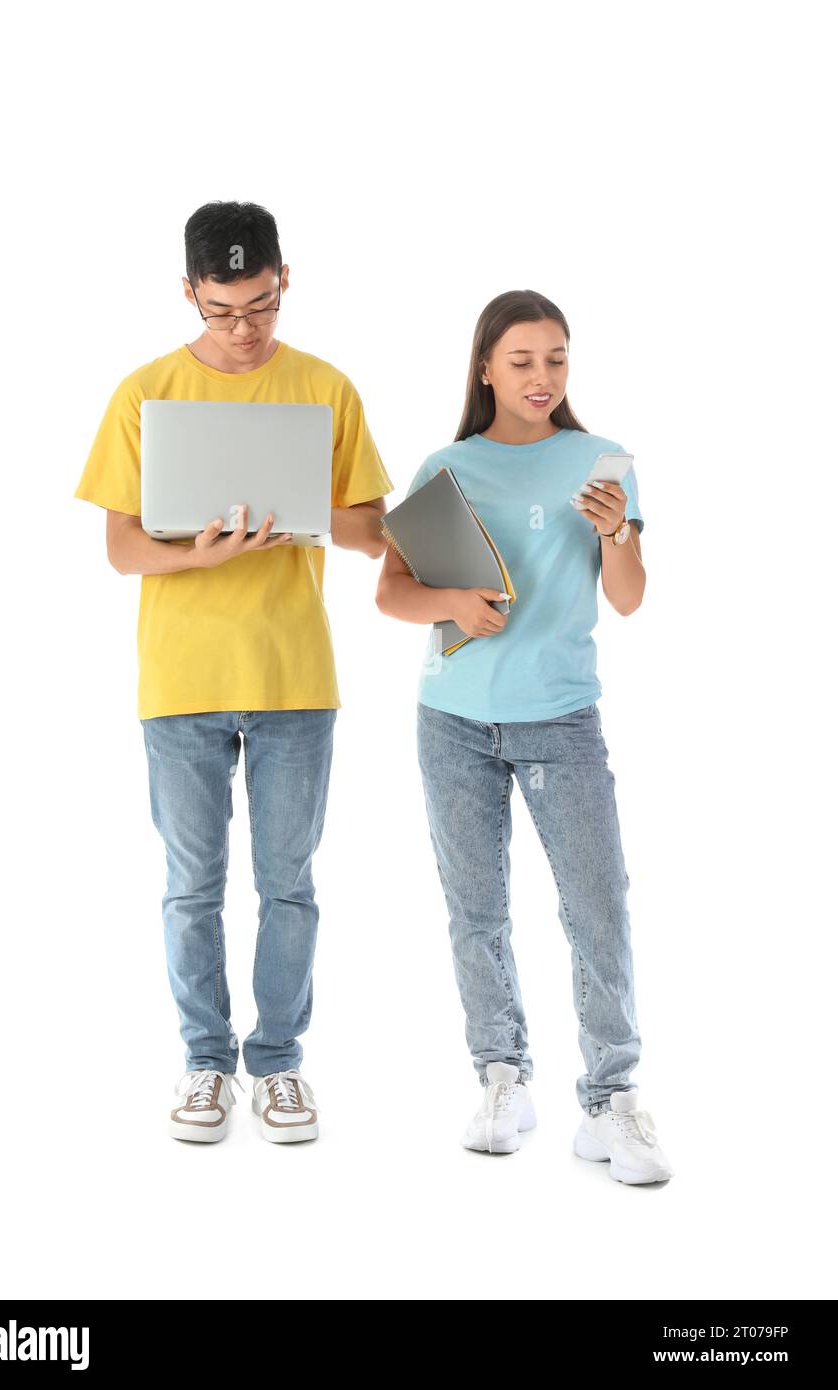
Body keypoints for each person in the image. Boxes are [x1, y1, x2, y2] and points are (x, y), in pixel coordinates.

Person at [74, 200, 393, 1145]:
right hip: (181, 680)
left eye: (260, 306)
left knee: (288, 883)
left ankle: (281, 1066)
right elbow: (123, 549)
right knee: (192, 886)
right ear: (188, 293)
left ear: (285, 281)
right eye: (222, 310)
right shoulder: (147, 393)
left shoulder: (325, 387)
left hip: (295, 674)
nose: (245, 330)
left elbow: (373, 532)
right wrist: (202, 557)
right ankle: (206, 1064)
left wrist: (299, 511)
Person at [375, 289, 673, 1183]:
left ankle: (612, 1101)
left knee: (597, 906)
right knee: (477, 911)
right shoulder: (447, 465)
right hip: (453, 717)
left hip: (560, 716)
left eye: (556, 360)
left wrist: (615, 530)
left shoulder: (601, 463)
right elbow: (391, 591)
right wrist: (455, 603)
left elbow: (628, 597)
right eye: (522, 362)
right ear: (484, 369)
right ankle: (503, 1077)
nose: (541, 378)